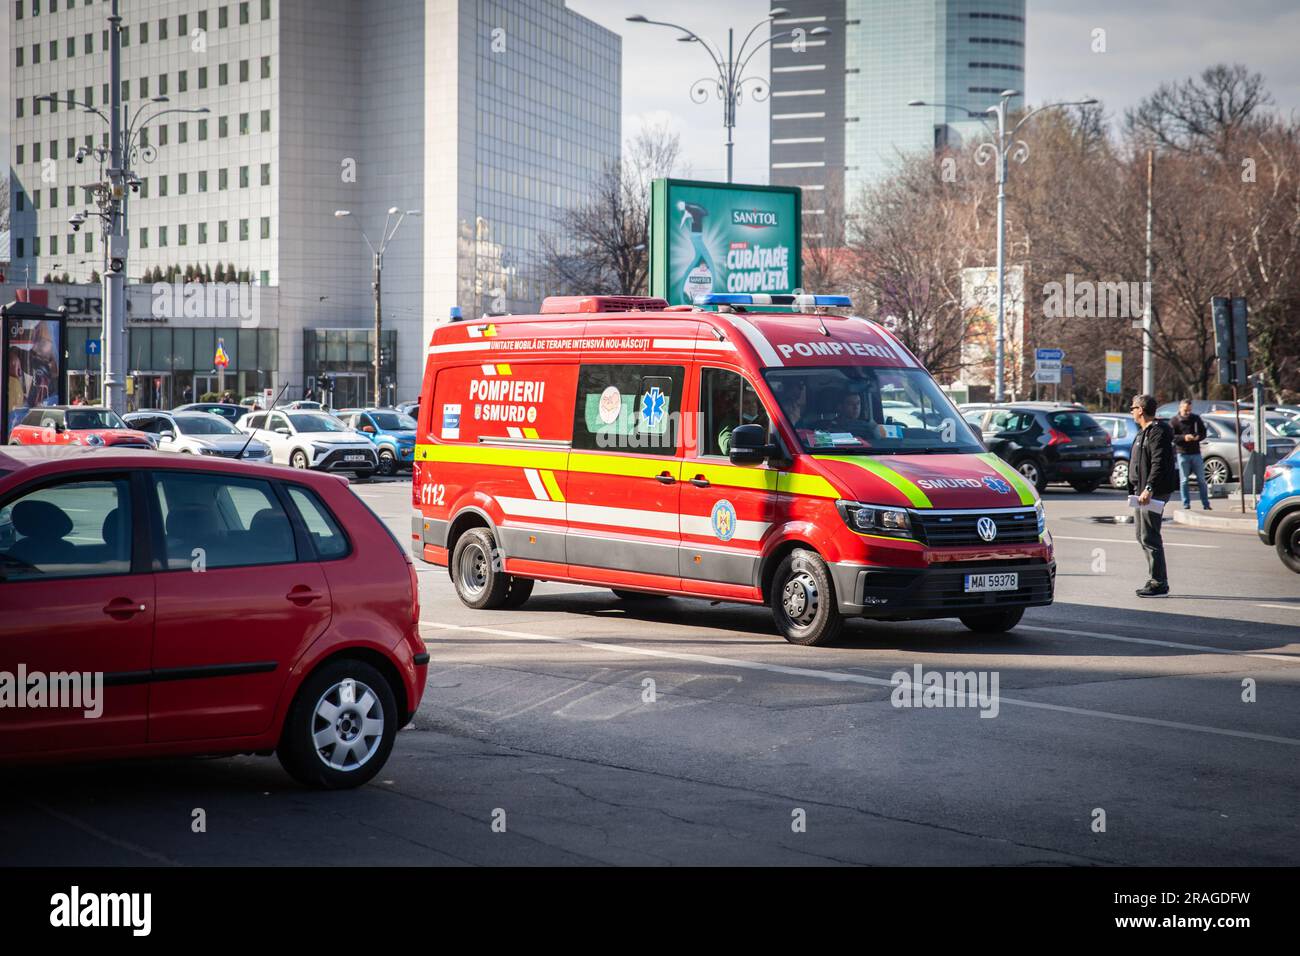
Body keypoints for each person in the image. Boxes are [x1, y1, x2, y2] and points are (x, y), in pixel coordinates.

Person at [1127, 393, 1179, 597]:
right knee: (1141, 535)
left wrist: (1149, 488)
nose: (1131, 411)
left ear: (1140, 410)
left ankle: (1158, 582)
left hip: (1153, 492)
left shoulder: (1158, 432)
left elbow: (1159, 462)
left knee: (1149, 536)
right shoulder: (1143, 432)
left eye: (1133, 408)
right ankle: (1155, 579)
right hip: (1141, 491)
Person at [1169, 398, 1211, 510]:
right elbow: (1171, 437)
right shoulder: (1174, 421)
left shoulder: (1195, 419)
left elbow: (1203, 432)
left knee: (1201, 480)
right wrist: (1184, 437)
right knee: (1184, 480)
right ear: (1180, 408)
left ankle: (1206, 504)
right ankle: (1186, 504)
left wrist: (1198, 437)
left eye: (1189, 410)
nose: (1188, 412)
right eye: (1185, 410)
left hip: (1196, 453)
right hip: (1182, 453)